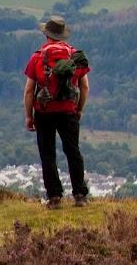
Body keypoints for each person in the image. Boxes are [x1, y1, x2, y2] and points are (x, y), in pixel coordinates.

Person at [24, 15, 91, 208]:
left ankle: (54, 197)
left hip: (44, 112)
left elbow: (29, 90)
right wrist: (79, 109)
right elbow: (84, 87)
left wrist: (29, 116)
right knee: (73, 151)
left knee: (48, 154)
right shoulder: (75, 57)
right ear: (62, 35)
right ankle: (80, 195)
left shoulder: (37, 57)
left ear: (47, 35)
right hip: (68, 111)